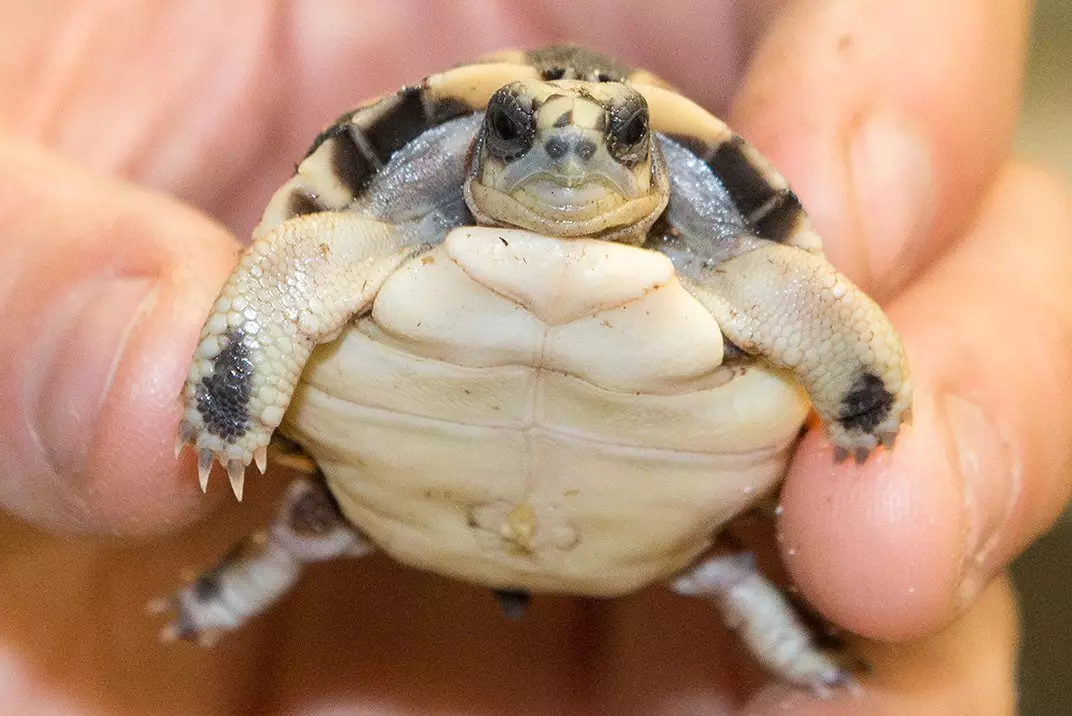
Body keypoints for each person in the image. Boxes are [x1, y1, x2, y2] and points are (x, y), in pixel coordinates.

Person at [0, 0, 1065, 712]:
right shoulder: (374, 232)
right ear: (479, 147)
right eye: (518, 132)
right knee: (287, 498)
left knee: (798, 555)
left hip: (660, 524)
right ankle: (227, 589)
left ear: (652, 160)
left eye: (617, 141)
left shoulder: (736, 264)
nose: (569, 152)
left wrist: (867, 397)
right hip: (399, 485)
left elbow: (799, 294)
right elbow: (296, 267)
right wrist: (229, 402)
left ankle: (797, 640)